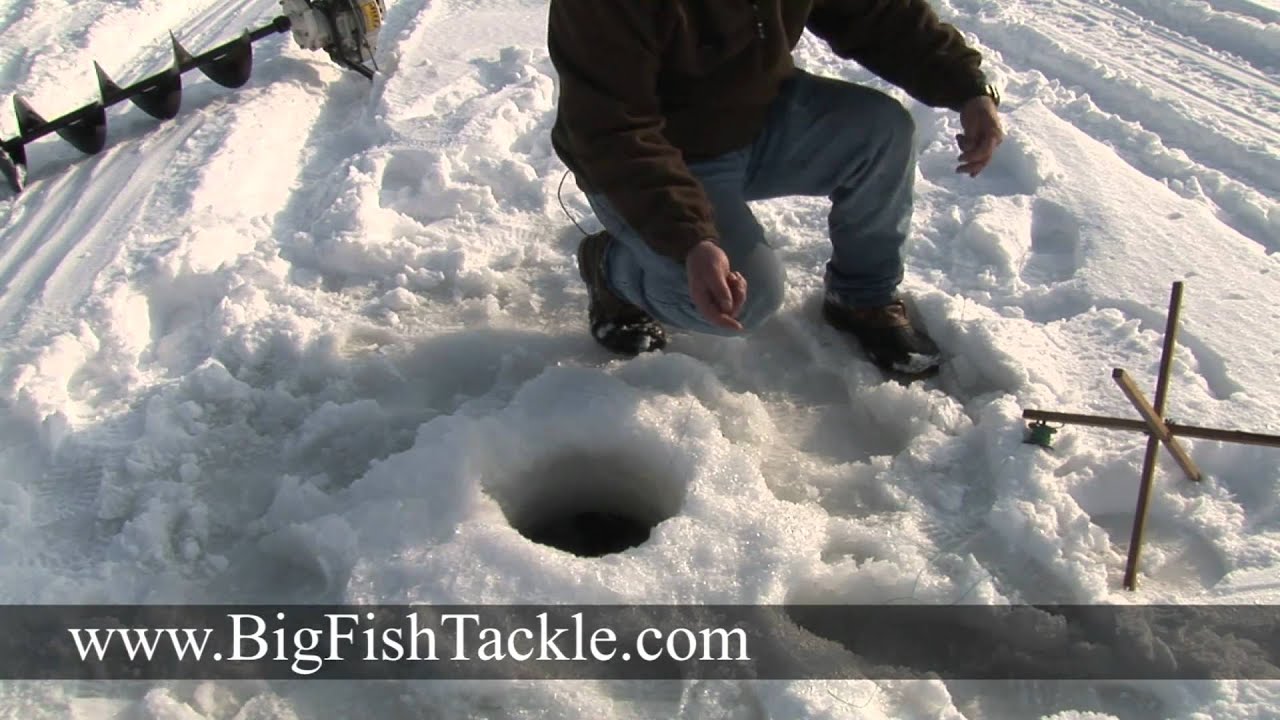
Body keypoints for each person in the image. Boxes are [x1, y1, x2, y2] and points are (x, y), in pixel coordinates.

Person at [548, 0, 1003, 379]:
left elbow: (879, 14)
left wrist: (968, 88)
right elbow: (613, 130)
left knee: (882, 131)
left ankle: (860, 298)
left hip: (755, 117)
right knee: (745, 301)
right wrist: (690, 239)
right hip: (646, 158)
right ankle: (612, 270)